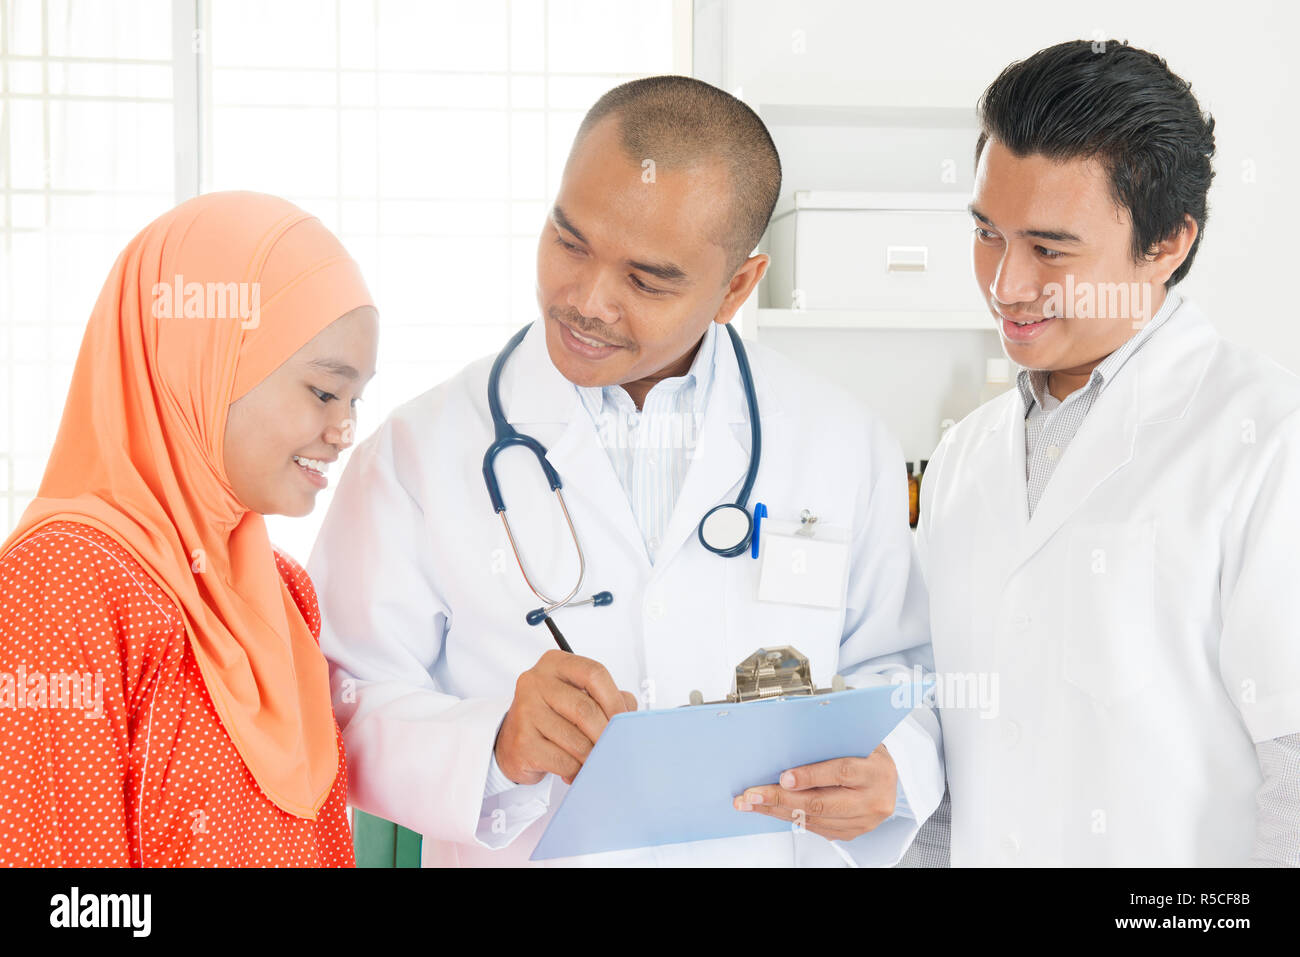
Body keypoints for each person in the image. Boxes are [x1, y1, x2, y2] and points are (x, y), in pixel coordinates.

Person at [310, 75, 942, 866]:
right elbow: (338, 703)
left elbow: (903, 672)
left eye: (646, 279)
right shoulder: (417, 452)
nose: (587, 300)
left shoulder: (843, 444)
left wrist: (893, 769)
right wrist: (494, 742)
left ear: (737, 287)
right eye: (569, 240)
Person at [914, 40, 1300, 865]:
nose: (1004, 284)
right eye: (988, 232)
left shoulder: (1267, 436)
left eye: (1050, 249)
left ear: (1166, 242)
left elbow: (1293, 771)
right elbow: (950, 765)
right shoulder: (961, 458)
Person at [0, 191, 379, 866]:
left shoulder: (286, 593)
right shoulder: (60, 584)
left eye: (357, 398)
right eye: (324, 391)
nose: (345, 430)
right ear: (201, 363)